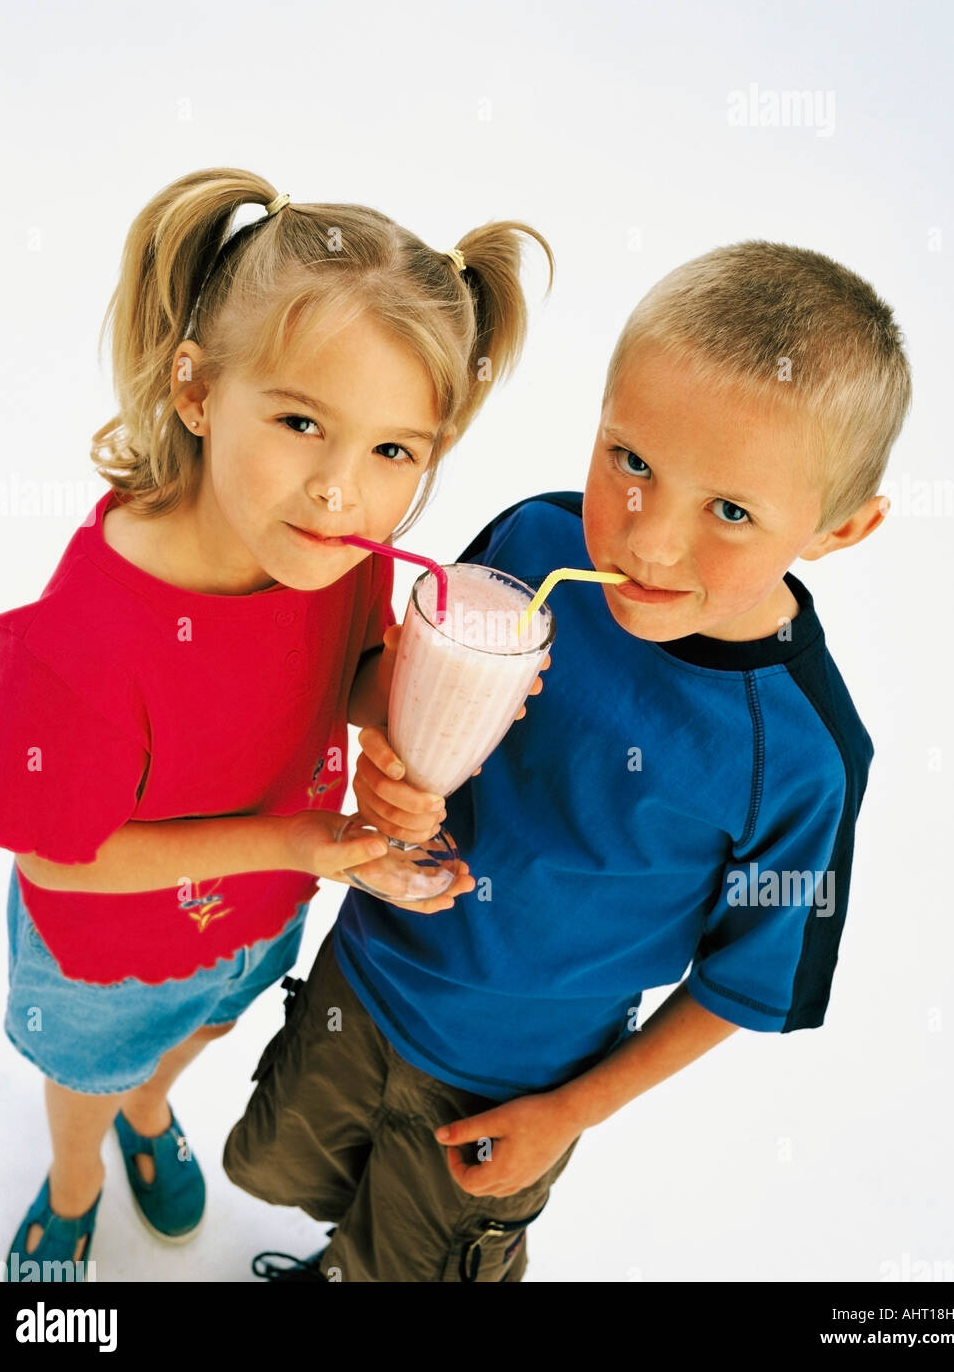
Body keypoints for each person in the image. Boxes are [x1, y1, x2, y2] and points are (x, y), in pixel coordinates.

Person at [223, 239, 913, 1283]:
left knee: (414, 1264)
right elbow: (408, 700)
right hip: (360, 977)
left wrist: (566, 1114)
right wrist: (387, 766)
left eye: (730, 510)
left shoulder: (804, 755)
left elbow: (746, 983)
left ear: (841, 528)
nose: (648, 541)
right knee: (288, 1163)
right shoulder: (535, 545)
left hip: (508, 1079)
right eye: (629, 460)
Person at [0, 165, 552, 1279]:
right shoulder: (78, 646)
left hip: (253, 911)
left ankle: (151, 1110)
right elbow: (61, 861)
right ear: (194, 390)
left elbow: (343, 678)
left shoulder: (327, 560)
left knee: (202, 1031)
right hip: (106, 949)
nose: (342, 491)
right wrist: (299, 841)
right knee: (90, 1074)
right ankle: (77, 1175)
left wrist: (425, 703)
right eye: (299, 421)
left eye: (394, 451)